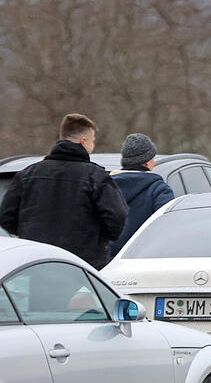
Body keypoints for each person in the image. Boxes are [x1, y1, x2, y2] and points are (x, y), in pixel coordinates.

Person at [0, 114, 128, 269]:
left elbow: (6, 217)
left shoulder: (28, 174)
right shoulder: (96, 176)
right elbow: (117, 216)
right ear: (84, 141)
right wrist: (100, 240)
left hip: (37, 262)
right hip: (83, 263)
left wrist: (27, 234)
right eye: (93, 140)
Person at [108, 133, 175, 256]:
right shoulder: (159, 190)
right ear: (147, 162)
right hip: (142, 260)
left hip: (104, 263)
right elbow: (167, 229)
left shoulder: (104, 187)